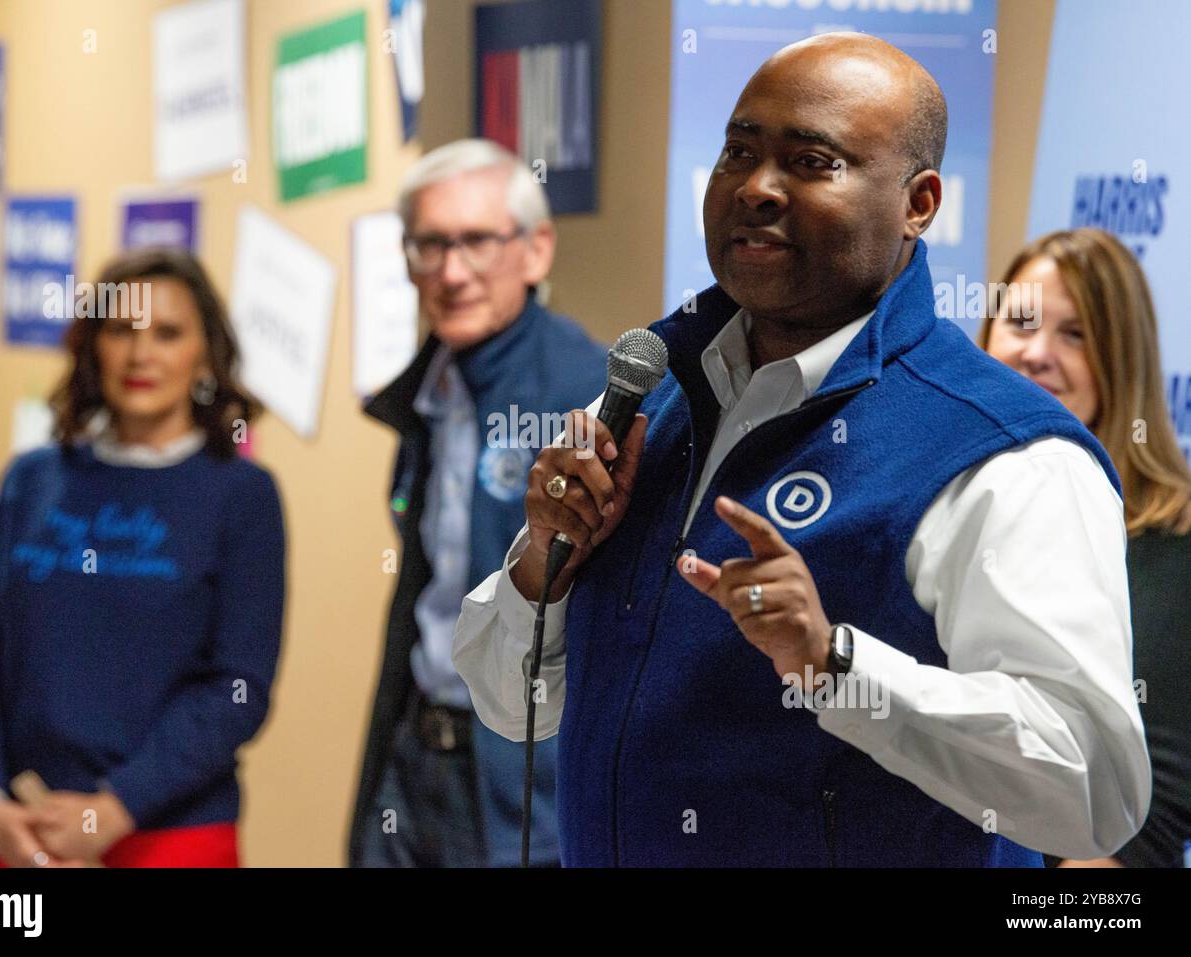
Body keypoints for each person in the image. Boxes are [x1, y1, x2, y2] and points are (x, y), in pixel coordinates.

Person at [453, 33, 1151, 866]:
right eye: (737, 152)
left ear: (917, 202)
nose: (756, 188)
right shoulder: (650, 397)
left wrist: (833, 662)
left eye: (811, 162)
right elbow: (512, 703)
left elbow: (1092, 790)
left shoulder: (1006, 456)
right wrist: (544, 564)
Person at [0, 248, 285, 868]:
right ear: (91, 344)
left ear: (204, 352)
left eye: (167, 333)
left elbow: (239, 689)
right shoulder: (30, 480)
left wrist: (115, 809)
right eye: (120, 330)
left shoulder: (241, 495)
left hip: (170, 836)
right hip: (21, 833)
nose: (140, 355)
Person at [351, 139, 606, 867]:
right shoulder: (429, 392)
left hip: (524, 777)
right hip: (417, 748)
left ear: (535, 251)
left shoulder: (587, 392)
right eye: (430, 244)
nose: (452, 271)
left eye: (476, 242)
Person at [981, 227, 1191, 867]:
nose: (1036, 353)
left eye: (1075, 334)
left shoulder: (1170, 541)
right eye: (1021, 322)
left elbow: (1147, 814)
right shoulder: (938, 502)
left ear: (1121, 358)